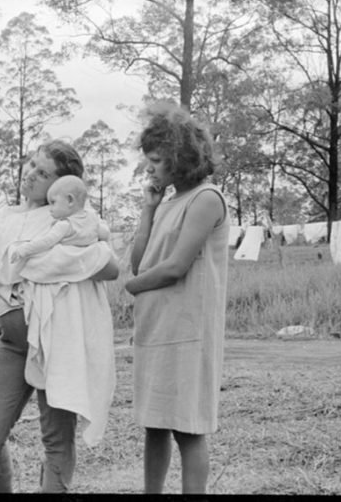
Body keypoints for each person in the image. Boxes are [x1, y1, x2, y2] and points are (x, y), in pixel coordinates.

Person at [0, 140, 120, 493]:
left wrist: (41, 264)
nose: (31, 174)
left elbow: (108, 266)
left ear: (63, 188)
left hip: (56, 343)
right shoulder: (4, 216)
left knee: (57, 441)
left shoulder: (72, 220)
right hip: (12, 344)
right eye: (32, 164)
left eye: (43, 172)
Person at [124, 101, 229, 494]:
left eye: (154, 159)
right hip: (156, 328)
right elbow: (140, 262)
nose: (148, 168)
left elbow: (176, 266)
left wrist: (131, 290)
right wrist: (148, 211)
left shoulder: (206, 198)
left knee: (188, 428)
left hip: (188, 332)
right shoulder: (167, 203)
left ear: (178, 157)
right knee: (155, 424)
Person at [9, 175, 110, 263]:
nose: (50, 209)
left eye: (53, 202)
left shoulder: (65, 225)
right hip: (87, 266)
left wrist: (23, 250)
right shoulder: (92, 217)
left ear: (70, 200)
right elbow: (105, 234)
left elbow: (46, 242)